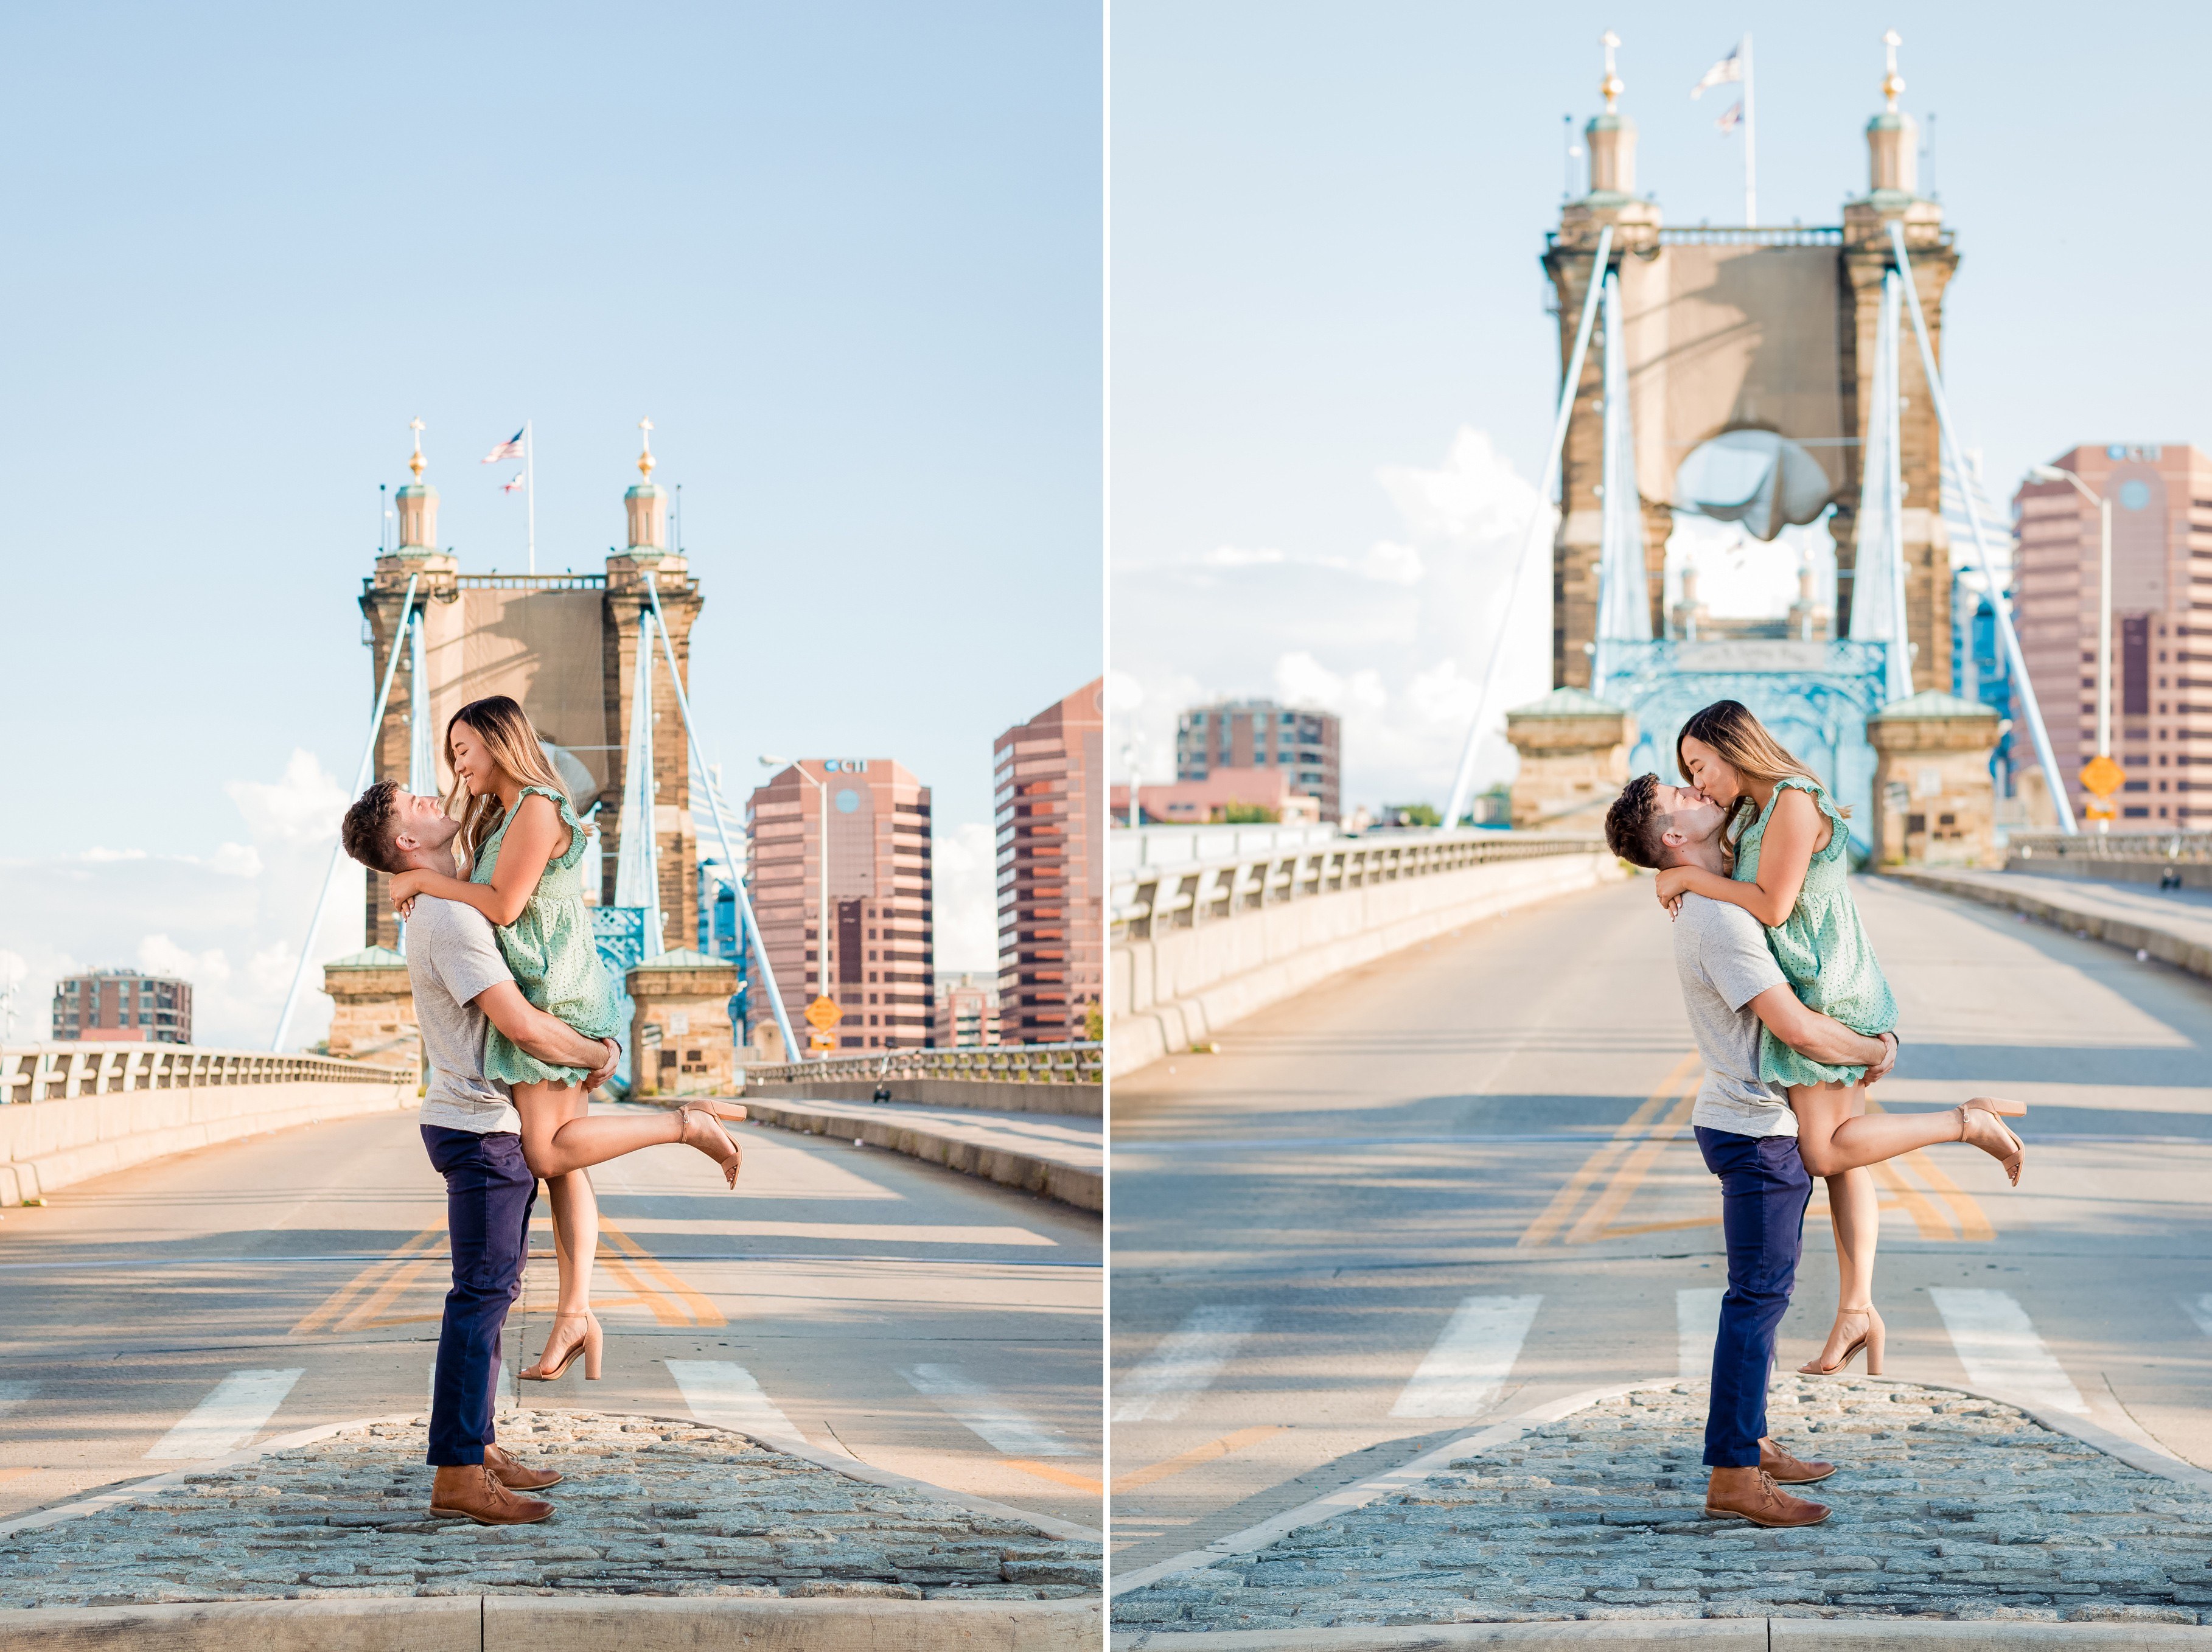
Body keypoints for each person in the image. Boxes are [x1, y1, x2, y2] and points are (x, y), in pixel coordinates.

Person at [1650, 700, 2024, 1377]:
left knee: (1822, 1154)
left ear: (1732, 747)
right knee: (1846, 1162)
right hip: (1819, 981)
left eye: (1699, 765)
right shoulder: (1756, 812)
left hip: (1825, 991)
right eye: (1688, 775)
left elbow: (1772, 907)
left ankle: (1964, 1123)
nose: (1698, 783)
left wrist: (1684, 875)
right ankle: (1856, 1309)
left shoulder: (1793, 800)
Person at [379, 695, 745, 1387]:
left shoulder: (538, 805)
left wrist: (423, 878)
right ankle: (575, 1314)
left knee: (546, 1152)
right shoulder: (500, 816)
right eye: (452, 754)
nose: (457, 766)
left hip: (554, 994)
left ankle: (682, 1124)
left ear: (498, 740)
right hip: (553, 985)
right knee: (566, 1170)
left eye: (465, 749)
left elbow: (504, 907)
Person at [1604, 774, 1903, 1528]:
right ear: (1672, 836)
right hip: (1754, 1135)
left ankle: (1752, 1441)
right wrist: (1873, 1046)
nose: (1694, 787)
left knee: (1757, 1301)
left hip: (1749, 1126)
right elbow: (1796, 1028)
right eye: (1680, 791)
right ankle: (1733, 1475)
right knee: (1755, 1304)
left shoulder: (1711, 891)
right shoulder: (1718, 919)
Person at [338, 784, 621, 1524]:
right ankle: (458, 1475)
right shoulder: (451, 920)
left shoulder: (444, 899)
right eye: (416, 801)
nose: (438, 793)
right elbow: (522, 1026)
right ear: (405, 841)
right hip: (480, 1132)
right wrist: (597, 1053)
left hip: (485, 1126)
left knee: (489, 1299)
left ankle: (478, 1444)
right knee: (480, 1301)